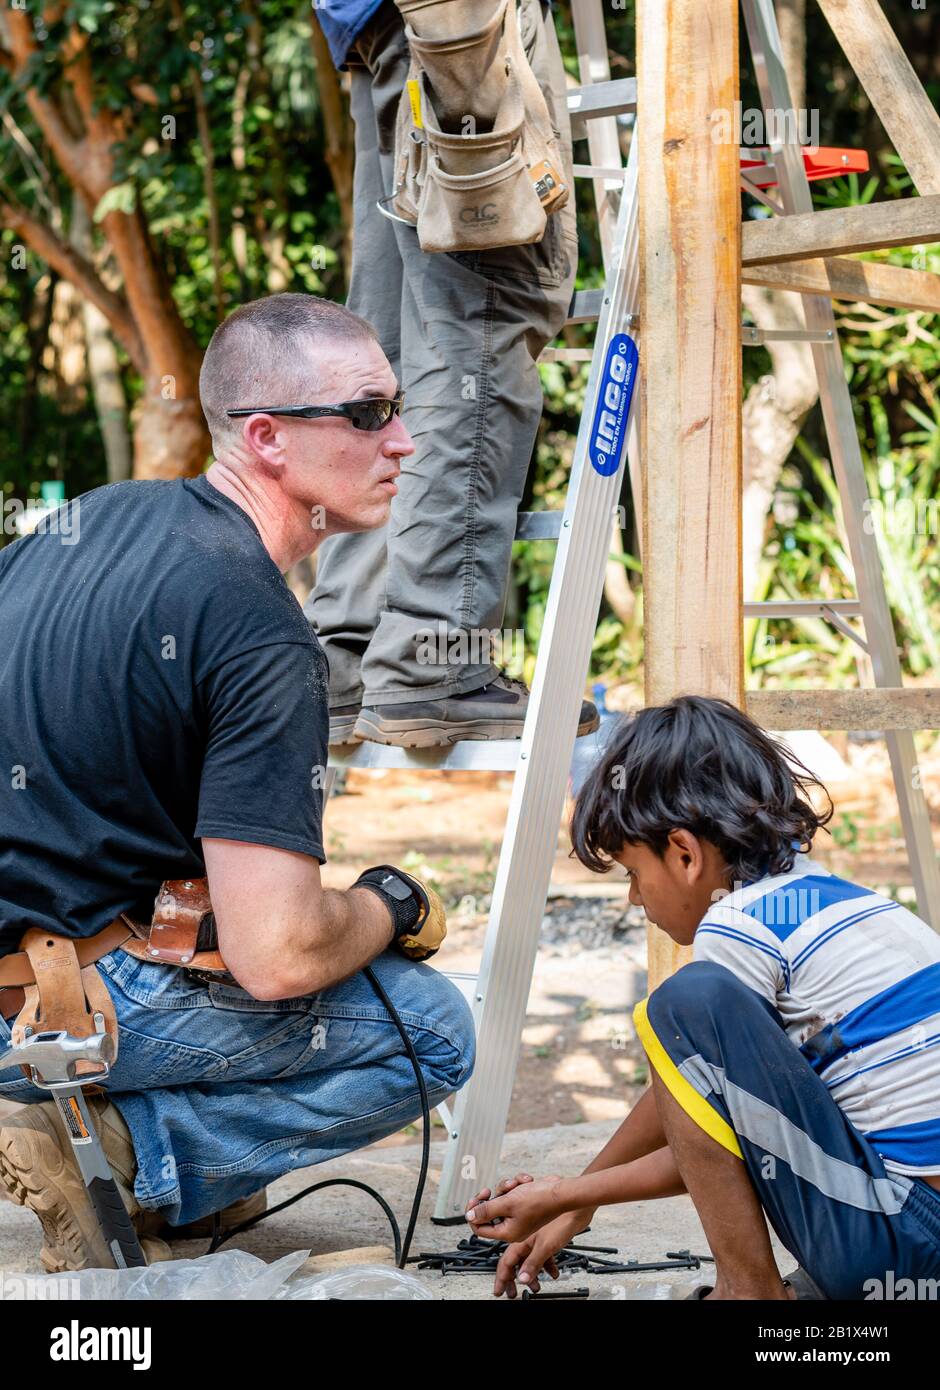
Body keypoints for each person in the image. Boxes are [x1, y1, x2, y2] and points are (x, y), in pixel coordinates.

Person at [0, 293, 475, 1271]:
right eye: (367, 413)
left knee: (194, 917)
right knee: (431, 1028)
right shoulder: (258, 632)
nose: (404, 441)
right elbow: (281, 958)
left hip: (39, 966)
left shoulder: (92, 518)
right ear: (265, 437)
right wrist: (388, 903)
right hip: (47, 1014)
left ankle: (112, 1137)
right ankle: (126, 1162)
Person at [462, 696, 940, 1301]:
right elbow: (697, 1106)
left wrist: (564, 1195)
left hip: (913, 1241)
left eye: (634, 873)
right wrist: (576, 1204)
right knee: (689, 1030)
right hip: (916, 1239)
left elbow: (713, 1148)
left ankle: (748, 1293)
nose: (636, 899)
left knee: (683, 1002)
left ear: (685, 854)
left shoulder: (733, 926)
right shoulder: (834, 900)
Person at [308, 0, 600, 748]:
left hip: (381, 32)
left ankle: (349, 656)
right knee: (484, 321)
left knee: (393, 359)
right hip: (454, 25)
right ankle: (431, 663)